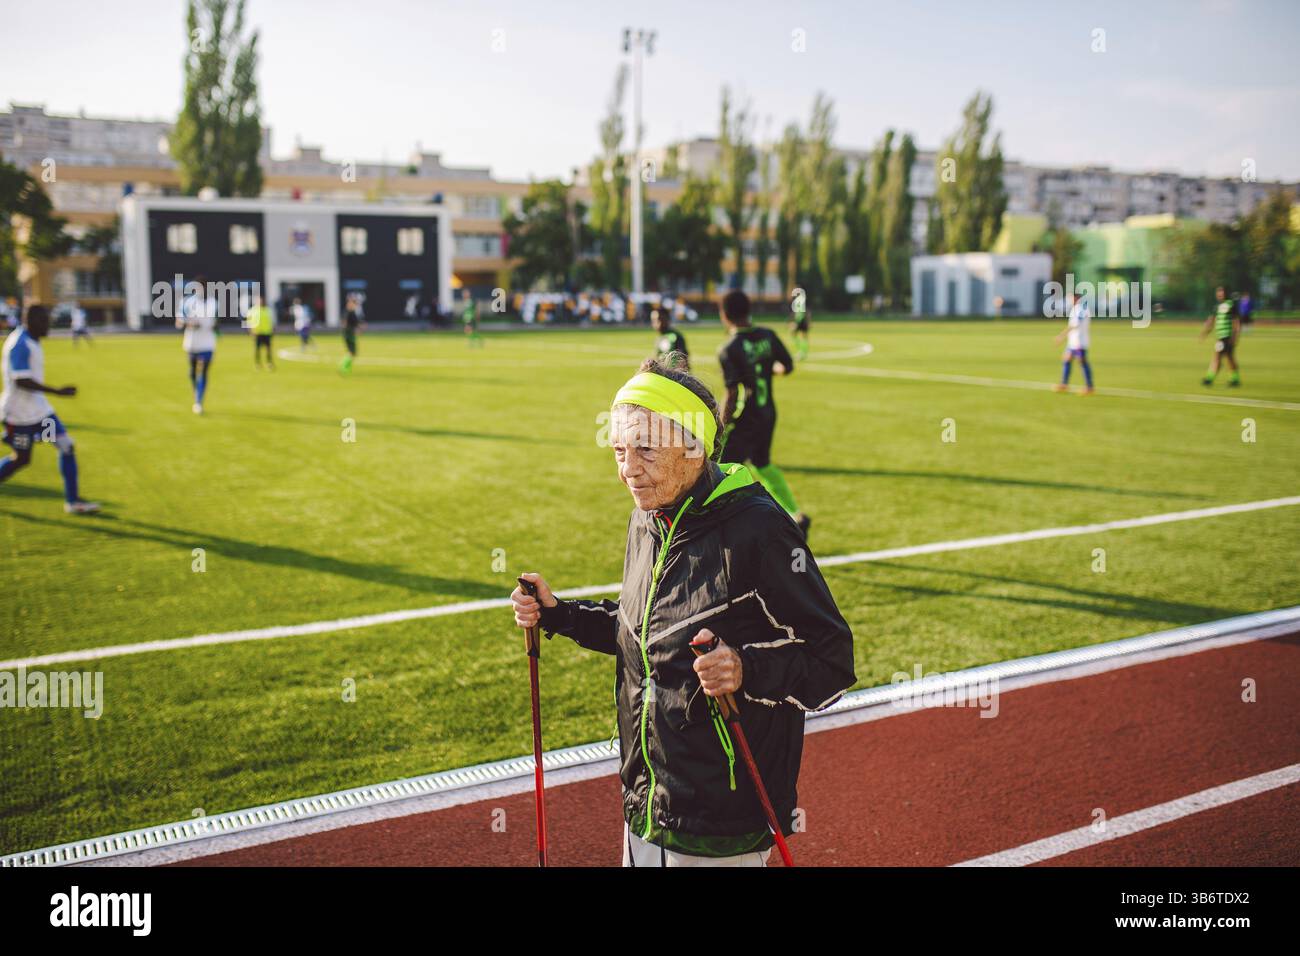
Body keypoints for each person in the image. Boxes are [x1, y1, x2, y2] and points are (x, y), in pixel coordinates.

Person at [510, 357, 855, 867]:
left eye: (645, 449)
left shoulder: (760, 532)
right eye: (619, 451)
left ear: (694, 447)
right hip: (648, 803)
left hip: (721, 821)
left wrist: (745, 668)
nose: (628, 469)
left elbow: (832, 663)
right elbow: (645, 632)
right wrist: (560, 615)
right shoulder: (648, 518)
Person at [716, 289, 810, 537]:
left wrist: (720, 426)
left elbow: (732, 393)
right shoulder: (767, 335)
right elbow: (787, 365)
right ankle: (795, 513)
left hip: (747, 418)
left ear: (724, 315)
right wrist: (767, 371)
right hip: (768, 412)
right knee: (763, 464)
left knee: (722, 469)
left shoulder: (729, 349)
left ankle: (737, 529)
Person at [0, 305, 101, 513]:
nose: (49, 326)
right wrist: (57, 391)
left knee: (66, 445)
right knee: (21, 459)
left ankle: (73, 502)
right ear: (31, 321)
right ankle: (15, 436)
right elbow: (22, 381)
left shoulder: (31, 338)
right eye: (44, 321)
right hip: (18, 416)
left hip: (40, 412)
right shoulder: (20, 344)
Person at [176, 275, 218, 414]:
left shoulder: (213, 302)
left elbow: (216, 321)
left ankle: (199, 401)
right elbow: (179, 321)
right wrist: (191, 324)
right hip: (193, 342)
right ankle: (196, 392)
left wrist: (214, 326)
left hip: (208, 342)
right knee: (193, 372)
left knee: (204, 371)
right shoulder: (187, 302)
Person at [1053, 291, 1094, 395]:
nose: (1069, 300)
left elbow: (1074, 325)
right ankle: (1064, 384)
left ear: (1075, 298)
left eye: (1070, 298)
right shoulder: (1077, 308)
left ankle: (1089, 387)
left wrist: (1061, 336)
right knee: (1066, 359)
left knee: (1082, 362)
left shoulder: (1081, 308)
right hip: (1073, 341)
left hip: (1079, 341)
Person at [1200, 286, 1241, 387]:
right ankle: (1235, 379)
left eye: (1222, 292)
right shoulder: (1217, 306)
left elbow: (1236, 322)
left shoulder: (1230, 305)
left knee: (1217, 357)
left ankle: (1209, 379)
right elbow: (1211, 321)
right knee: (1229, 358)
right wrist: (1205, 332)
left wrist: (1235, 336)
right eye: (1218, 292)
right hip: (1221, 336)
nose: (1219, 294)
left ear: (1226, 293)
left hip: (1225, 336)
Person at [246, 293, 275, 370]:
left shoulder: (268, 310)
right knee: (257, 349)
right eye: (259, 301)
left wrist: (272, 330)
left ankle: (269, 362)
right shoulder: (252, 310)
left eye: (261, 301)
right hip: (257, 333)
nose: (260, 302)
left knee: (268, 349)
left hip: (266, 332)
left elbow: (271, 321)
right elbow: (249, 322)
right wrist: (251, 331)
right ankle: (257, 363)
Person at [340, 293, 366, 374]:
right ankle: (344, 367)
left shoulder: (349, 312)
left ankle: (345, 367)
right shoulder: (350, 312)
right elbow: (346, 323)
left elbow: (354, 323)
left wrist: (359, 328)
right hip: (349, 334)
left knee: (352, 352)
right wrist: (359, 328)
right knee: (352, 352)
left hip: (348, 333)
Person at [788, 293, 810, 361]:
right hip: (802, 321)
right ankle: (803, 352)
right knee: (803, 336)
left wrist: (794, 322)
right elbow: (807, 312)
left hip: (800, 321)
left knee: (795, 334)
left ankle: (801, 352)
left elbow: (798, 313)